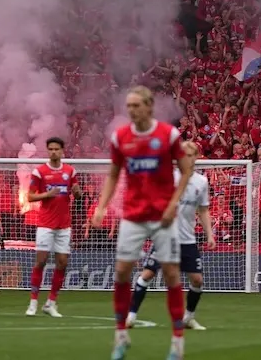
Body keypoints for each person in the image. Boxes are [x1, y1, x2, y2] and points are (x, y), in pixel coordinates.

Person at [91, 86, 195, 360]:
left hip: (162, 217)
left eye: (136, 105)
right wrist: (102, 206)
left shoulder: (168, 135)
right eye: (129, 105)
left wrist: (173, 203)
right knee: (123, 271)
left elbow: (186, 171)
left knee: (172, 275)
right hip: (133, 216)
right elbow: (113, 175)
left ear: (149, 106)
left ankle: (177, 343)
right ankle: (121, 338)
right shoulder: (120, 137)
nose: (131, 110)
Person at [127, 142, 215, 330]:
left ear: (197, 157)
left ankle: (189, 318)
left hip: (187, 239)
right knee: (147, 275)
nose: (188, 159)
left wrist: (210, 234)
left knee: (197, 280)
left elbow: (204, 210)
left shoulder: (202, 182)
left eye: (191, 155)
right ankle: (131, 315)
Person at [25, 136, 76, 318]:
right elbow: (30, 197)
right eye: (50, 149)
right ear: (48, 151)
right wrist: (48, 194)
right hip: (46, 223)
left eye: (56, 149)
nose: (53, 152)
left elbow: (76, 194)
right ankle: (33, 302)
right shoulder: (40, 172)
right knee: (41, 261)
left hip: (64, 225)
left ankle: (51, 303)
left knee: (62, 262)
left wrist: (77, 193)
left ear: (62, 151)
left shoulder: (70, 171)